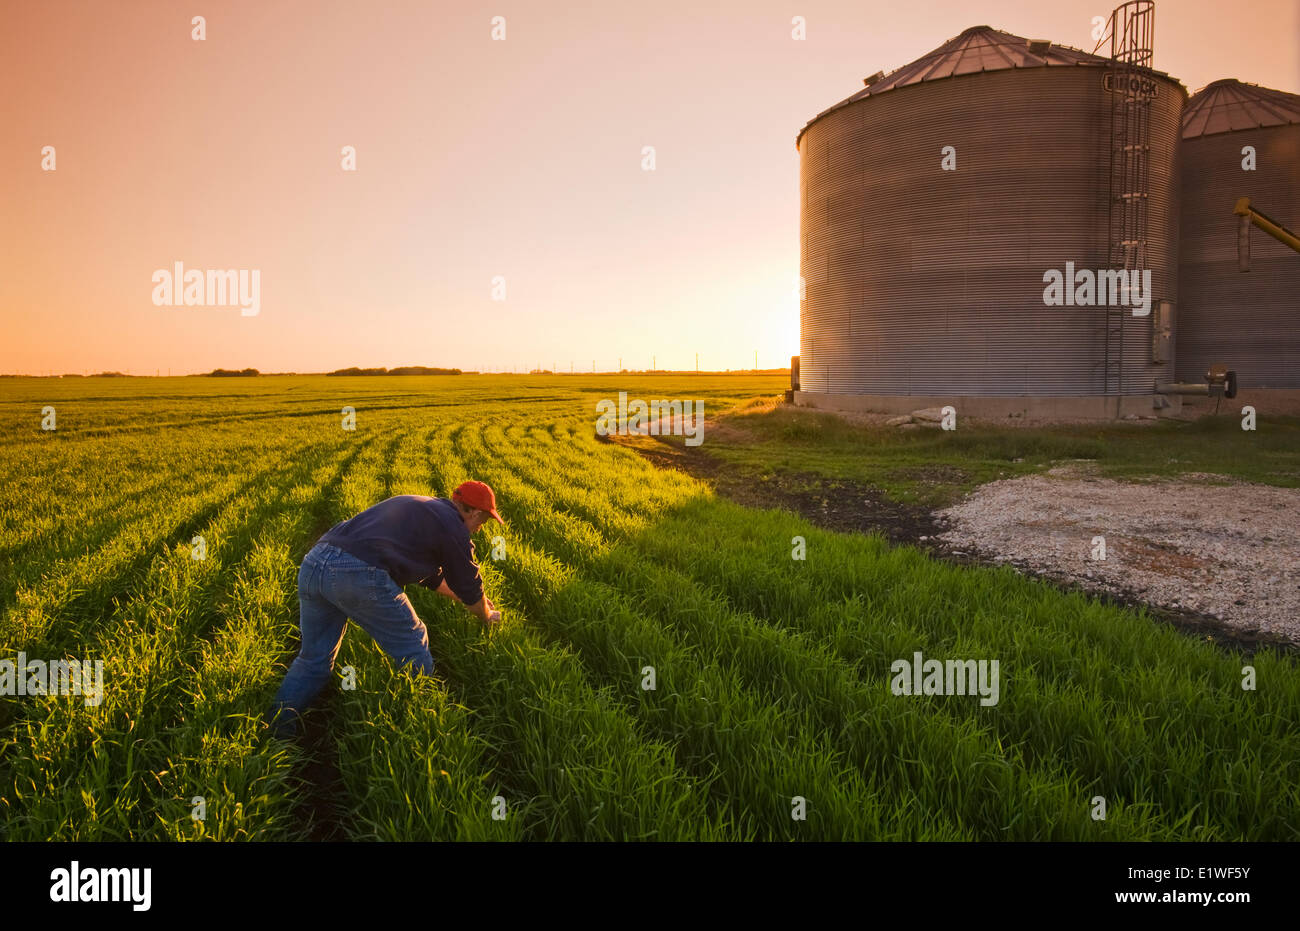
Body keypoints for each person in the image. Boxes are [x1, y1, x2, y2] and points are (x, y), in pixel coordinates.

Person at [265, 480, 504, 738]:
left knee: (313, 660)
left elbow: (432, 578)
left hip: (315, 563)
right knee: (414, 644)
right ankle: (418, 728)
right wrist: (486, 615)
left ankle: (274, 735)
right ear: (475, 512)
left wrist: (468, 599)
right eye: (483, 522)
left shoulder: (425, 508)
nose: (479, 529)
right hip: (355, 573)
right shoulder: (453, 526)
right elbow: (469, 584)